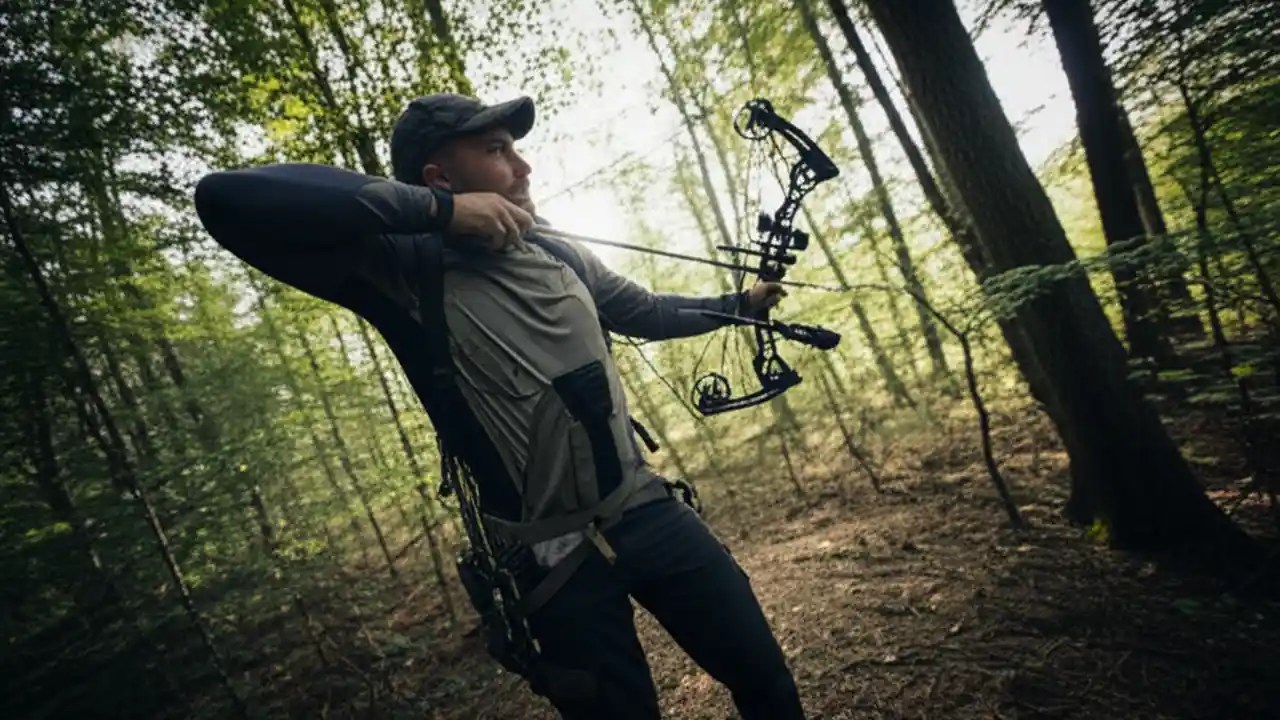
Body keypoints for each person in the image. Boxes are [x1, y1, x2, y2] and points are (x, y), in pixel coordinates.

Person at [194, 92, 806, 719]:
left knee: (766, 680)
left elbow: (645, 310)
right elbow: (224, 199)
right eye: (496, 150)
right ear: (440, 176)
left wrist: (742, 303)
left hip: (645, 509)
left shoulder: (559, 250)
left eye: (514, 148)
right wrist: (439, 213)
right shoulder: (399, 268)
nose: (523, 165)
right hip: (551, 559)